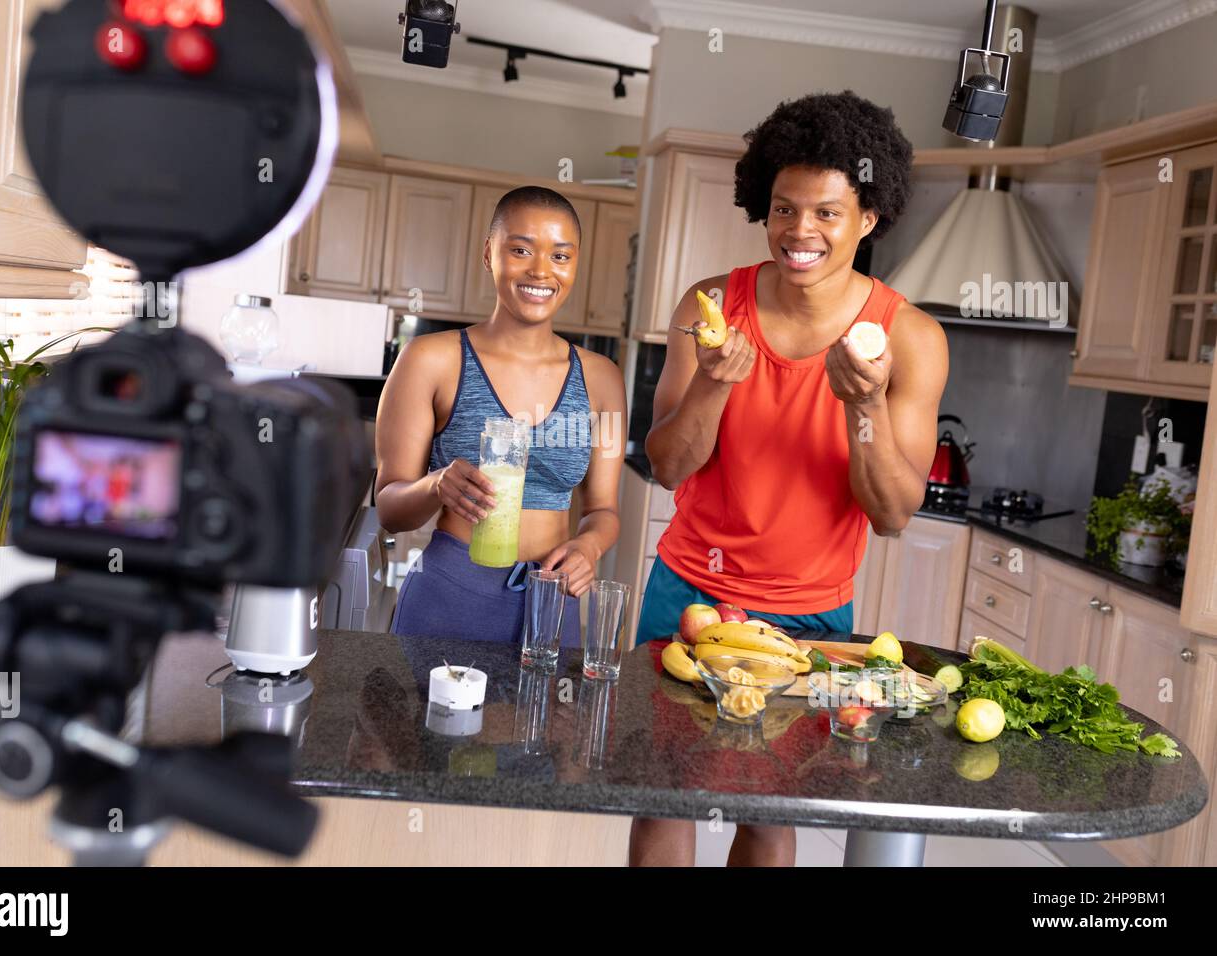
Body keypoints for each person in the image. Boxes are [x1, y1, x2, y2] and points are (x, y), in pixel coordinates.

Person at [630, 91, 949, 866]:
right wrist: (711, 383)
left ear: (868, 217)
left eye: (827, 214)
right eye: (783, 209)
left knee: (770, 809)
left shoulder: (910, 337)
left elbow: (894, 513)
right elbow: (667, 465)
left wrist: (864, 403)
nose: (800, 232)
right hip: (688, 592)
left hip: (809, 615)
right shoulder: (711, 305)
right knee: (660, 795)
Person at [377, 186, 627, 645]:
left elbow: (603, 510)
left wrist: (589, 546)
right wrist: (437, 484)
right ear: (489, 255)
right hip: (450, 596)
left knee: (550, 720)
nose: (540, 271)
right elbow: (390, 509)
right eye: (520, 250)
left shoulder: (602, 379)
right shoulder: (431, 359)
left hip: (555, 603)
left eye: (560, 256)